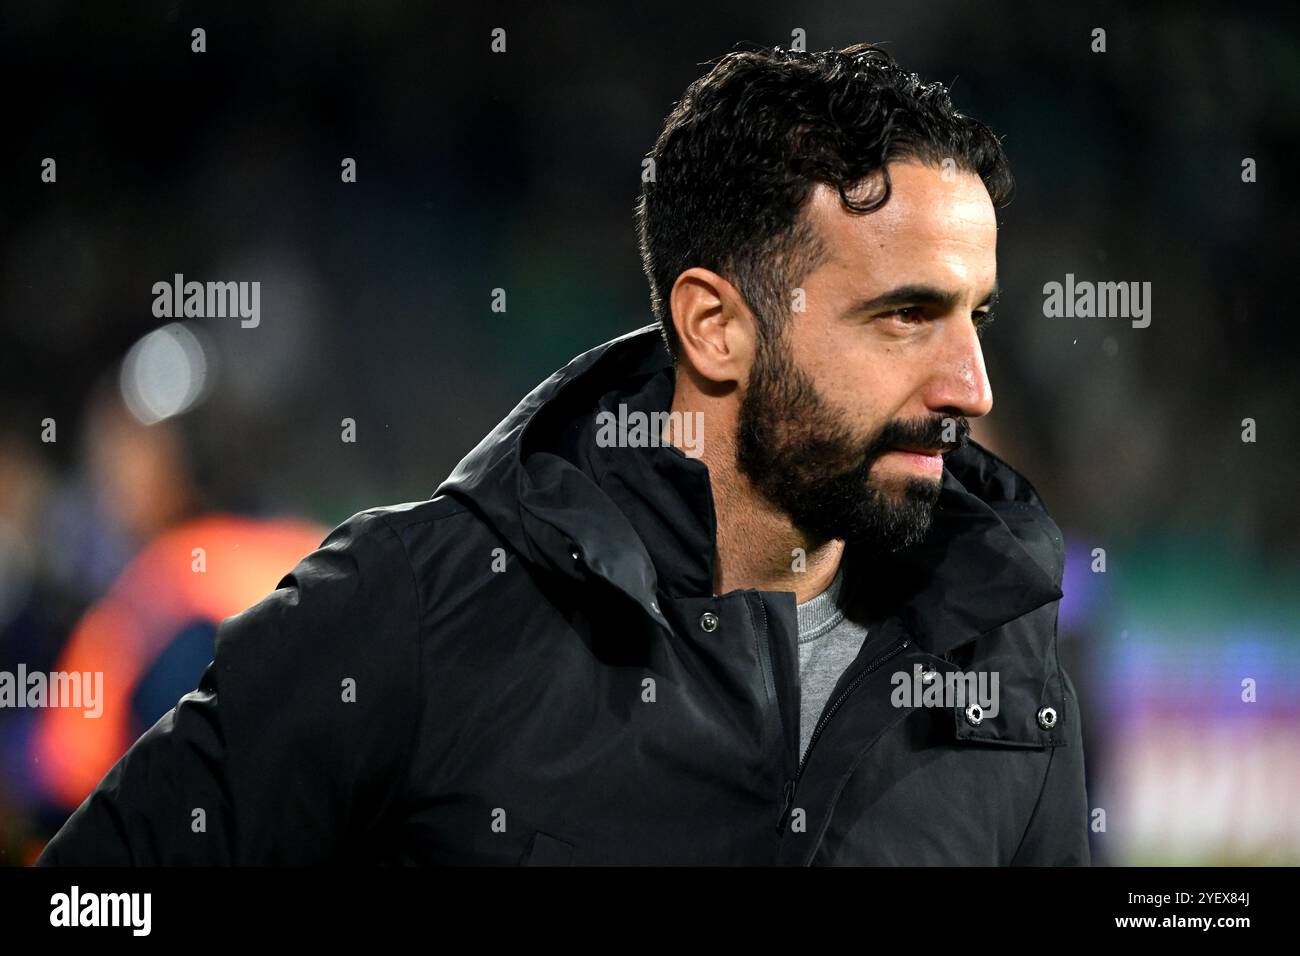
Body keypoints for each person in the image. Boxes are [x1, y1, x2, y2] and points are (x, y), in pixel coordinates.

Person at [37, 43, 1088, 865]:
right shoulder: (416, 608)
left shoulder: (1002, 660)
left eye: (974, 315)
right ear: (716, 328)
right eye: (907, 316)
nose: (973, 387)